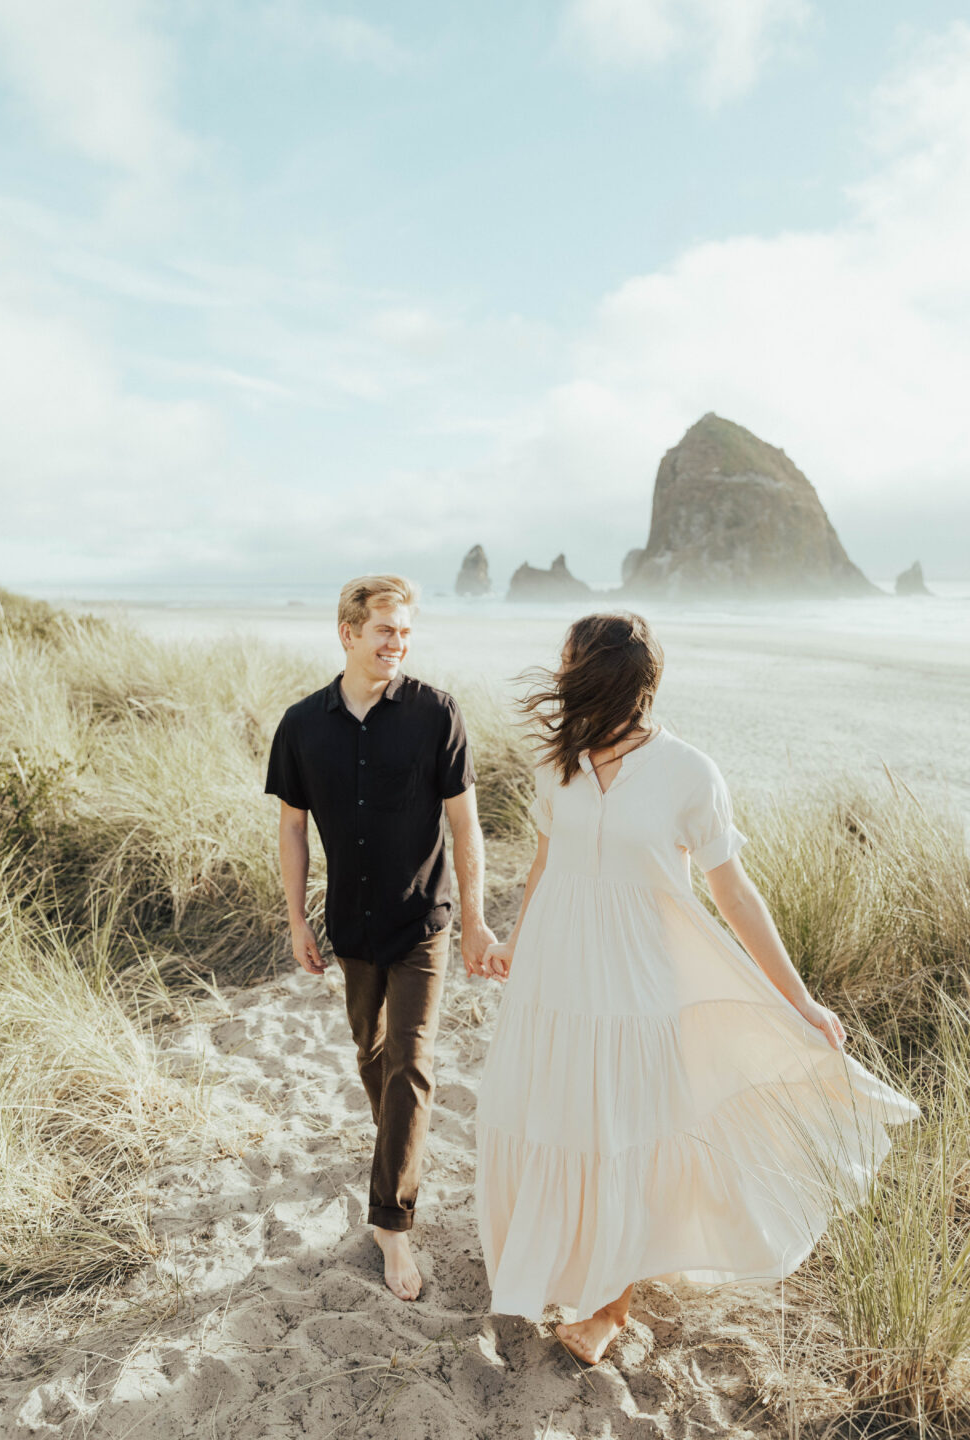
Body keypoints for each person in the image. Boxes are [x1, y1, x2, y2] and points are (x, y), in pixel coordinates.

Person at [475, 611, 918, 1365]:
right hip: (554, 979)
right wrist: (517, 940)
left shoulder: (689, 772)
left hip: (640, 985)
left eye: (569, 661)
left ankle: (611, 1307)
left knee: (625, 1133)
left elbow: (736, 895)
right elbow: (545, 863)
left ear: (604, 675)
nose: (558, 671)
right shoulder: (560, 761)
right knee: (554, 1117)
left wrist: (798, 999)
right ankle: (561, 1264)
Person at [266, 574, 495, 1302]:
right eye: (384, 630)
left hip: (423, 919)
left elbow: (466, 825)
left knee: (412, 1065)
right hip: (351, 925)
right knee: (371, 1053)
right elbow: (293, 829)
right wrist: (299, 919)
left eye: (405, 631)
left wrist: (478, 917)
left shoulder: (437, 714)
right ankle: (398, 1141)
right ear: (348, 633)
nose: (397, 643)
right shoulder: (303, 725)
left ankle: (391, 1223)